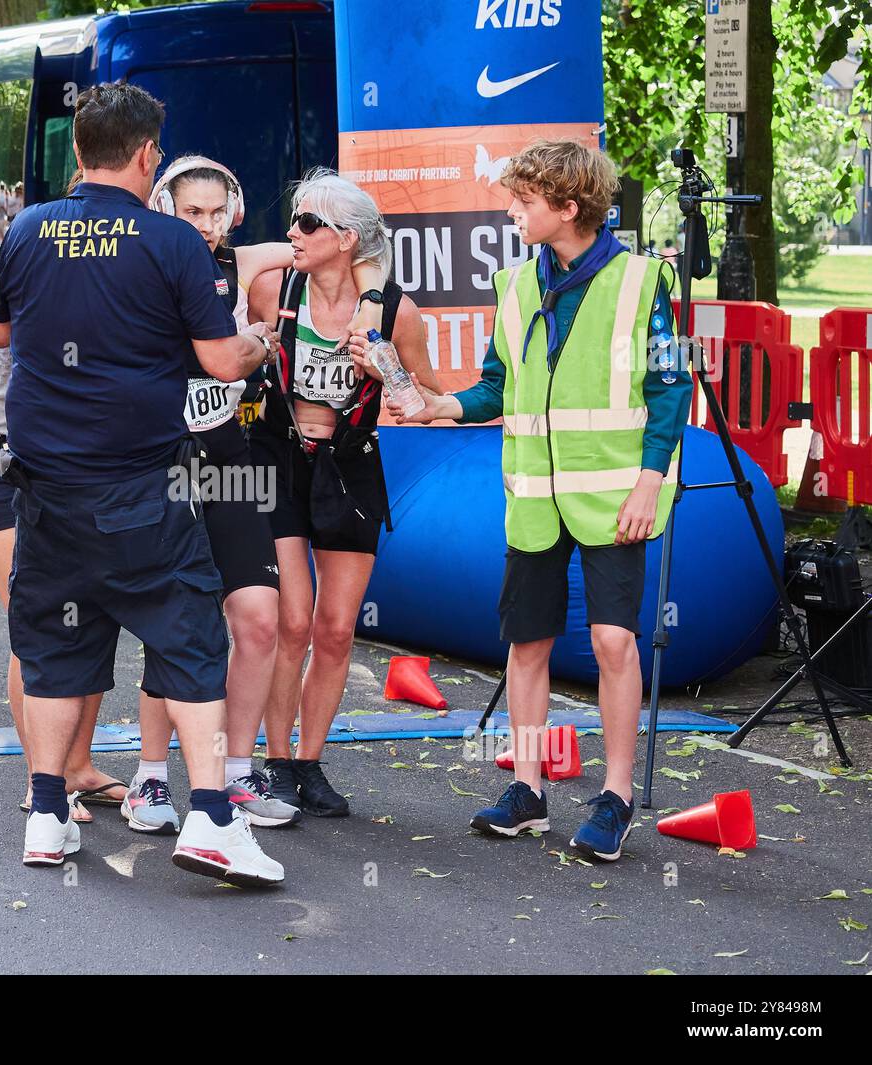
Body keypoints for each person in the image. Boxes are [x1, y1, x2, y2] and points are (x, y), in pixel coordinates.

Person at [0, 81, 285, 885]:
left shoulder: (26, 230)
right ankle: (215, 818)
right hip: (143, 487)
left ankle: (47, 814)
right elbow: (221, 362)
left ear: (78, 151)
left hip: (45, 488)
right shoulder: (171, 242)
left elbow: (5, 329)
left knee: (54, 650)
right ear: (148, 155)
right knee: (190, 644)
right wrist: (257, 340)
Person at [379, 139, 692, 862]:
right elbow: (496, 384)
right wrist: (440, 408)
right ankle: (527, 790)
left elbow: (671, 386)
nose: (511, 211)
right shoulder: (515, 283)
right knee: (526, 644)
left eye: (523, 201)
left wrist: (650, 480)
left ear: (568, 207)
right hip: (533, 498)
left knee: (614, 642)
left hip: (616, 494)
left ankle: (614, 796)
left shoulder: (644, 281)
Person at [123, 156, 389, 833]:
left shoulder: (240, 264)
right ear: (164, 208)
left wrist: (374, 299)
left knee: (264, 623)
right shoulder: (140, 262)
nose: (207, 225)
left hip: (232, 463)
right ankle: (151, 777)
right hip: (165, 464)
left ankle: (239, 773)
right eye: (193, 212)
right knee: (178, 625)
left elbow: (358, 242)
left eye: (219, 212)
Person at [246, 170, 435, 818]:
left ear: (347, 238)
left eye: (307, 223)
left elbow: (420, 398)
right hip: (282, 461)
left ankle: (309, 762)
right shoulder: (274, 287)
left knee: (334, 629)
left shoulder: (396, 312)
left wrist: (382, 364)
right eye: (293, 218)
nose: (292, 232)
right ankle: (274, 762)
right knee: (293, 620)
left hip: (351, 466)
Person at [0, 290, 130, 822]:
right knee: (40, 619)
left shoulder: (128, 263)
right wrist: (19, 307)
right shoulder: (28, 264)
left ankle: (79, 767)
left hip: (74, 471)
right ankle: (40, 781)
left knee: (93, 615)